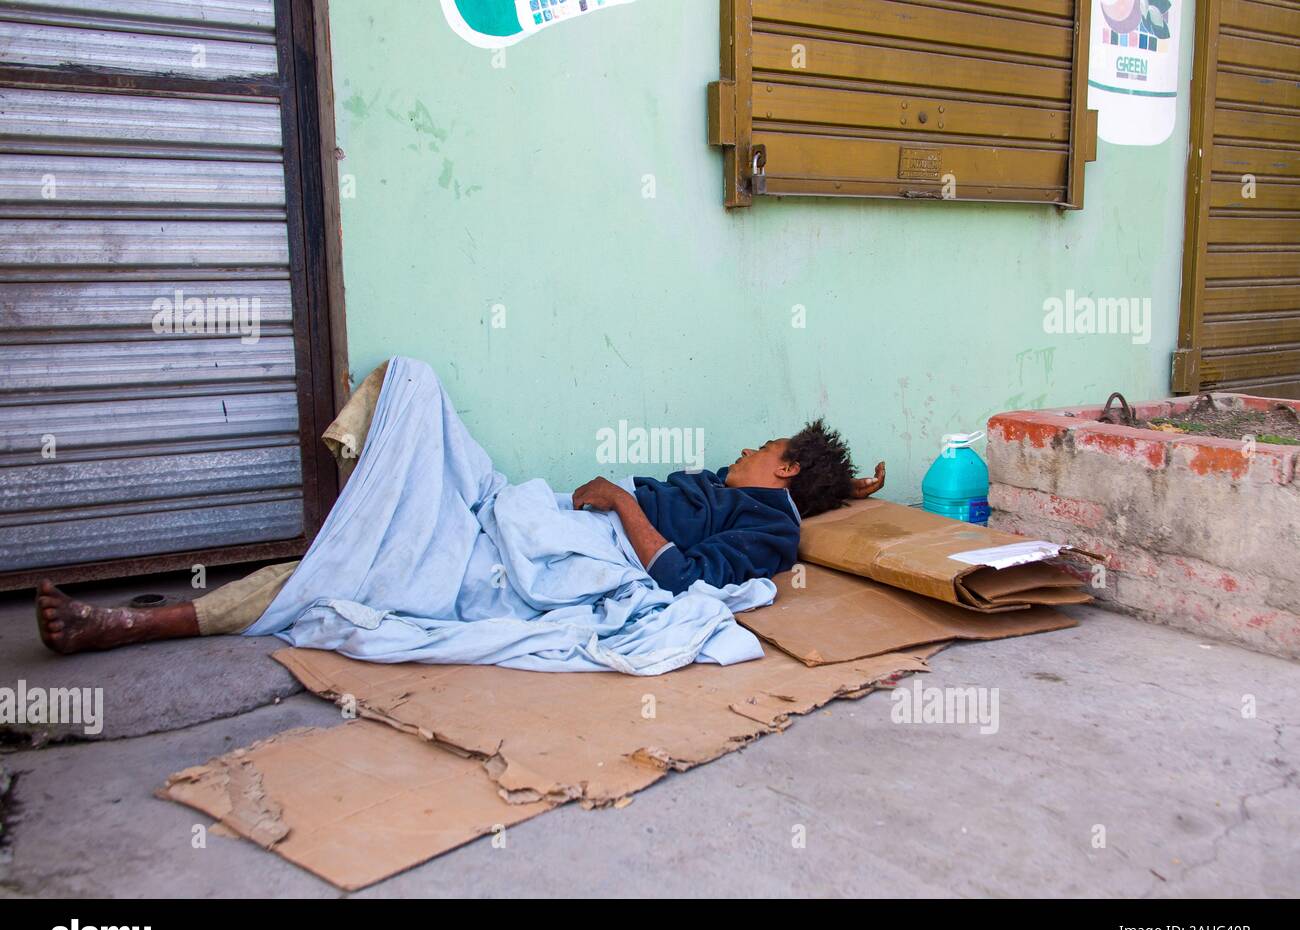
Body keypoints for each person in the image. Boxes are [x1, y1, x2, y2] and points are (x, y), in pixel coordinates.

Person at [35, 364, 885, 656]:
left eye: (760, 445)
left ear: (783, 466)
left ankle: (130, 627)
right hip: (531, 514)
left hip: (553, 556)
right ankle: (363, 514)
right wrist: (843, 487)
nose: (743, 447)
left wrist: (625, 504)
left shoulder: (772, 523)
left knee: (327, 581)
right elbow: (780, 490)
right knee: (411, 383)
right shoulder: (751, 489)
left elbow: (683, 576)